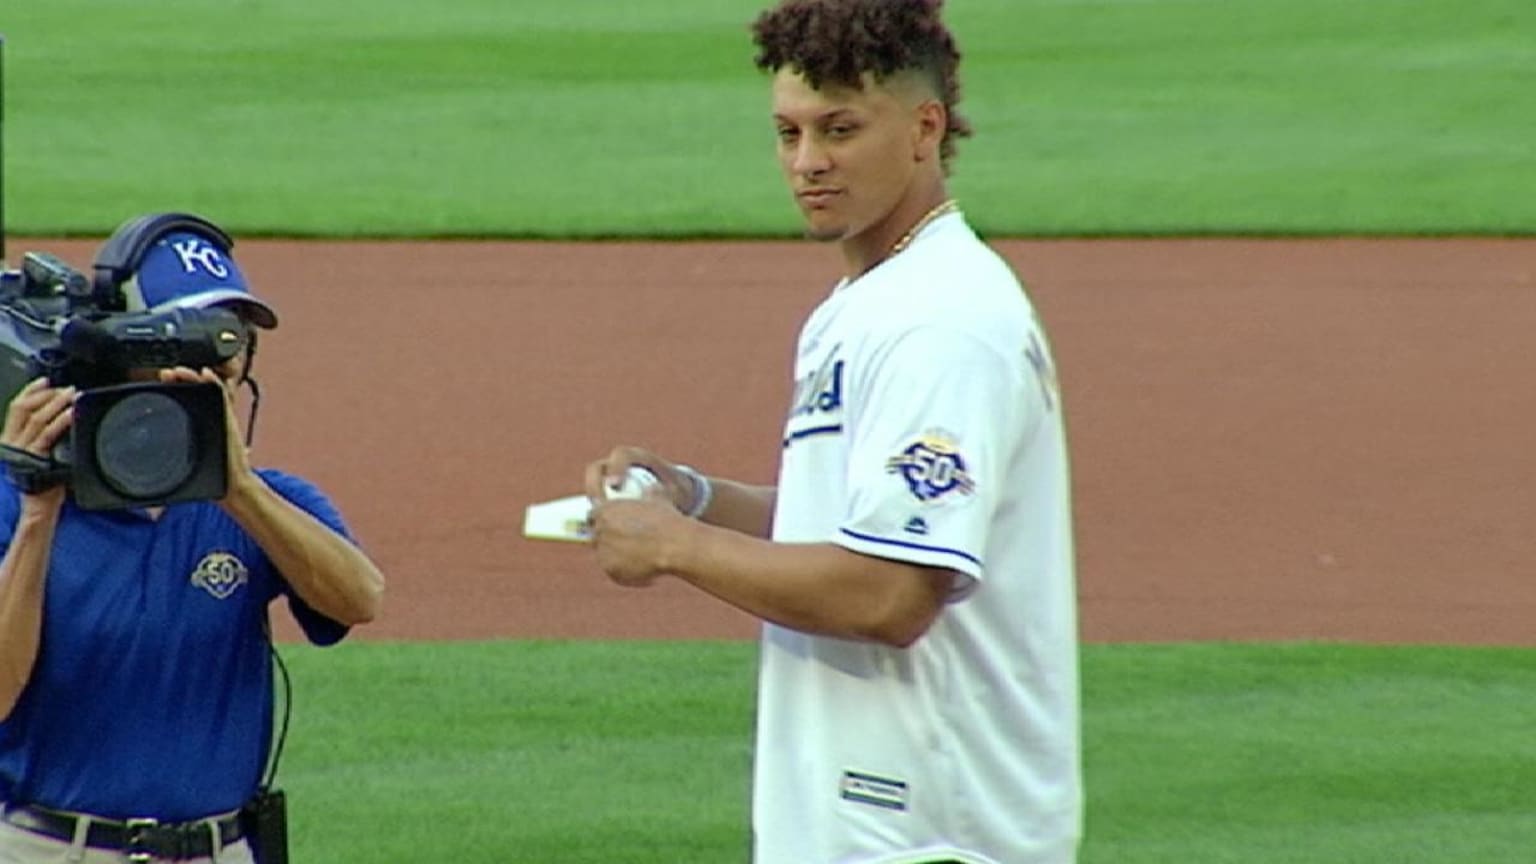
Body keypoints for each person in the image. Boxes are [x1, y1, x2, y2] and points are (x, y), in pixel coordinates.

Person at [582, 1, 1081, 862]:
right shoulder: (876, 300)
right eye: (788, 133)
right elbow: (858, 521)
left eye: (840, 130)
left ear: (925, 129)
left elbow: (890, 593)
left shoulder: (941, 320)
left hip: (930, 835)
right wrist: (696, 500)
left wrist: (672, 547)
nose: (808, 162)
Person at [0, 214, 386, 863]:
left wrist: (237, 491)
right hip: (50, 846)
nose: (219, 362)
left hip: (219, 848)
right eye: (188, 338)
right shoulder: (18, 498)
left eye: (229, 338)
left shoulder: (267, 500)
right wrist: (39, 516)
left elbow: (358, 599)